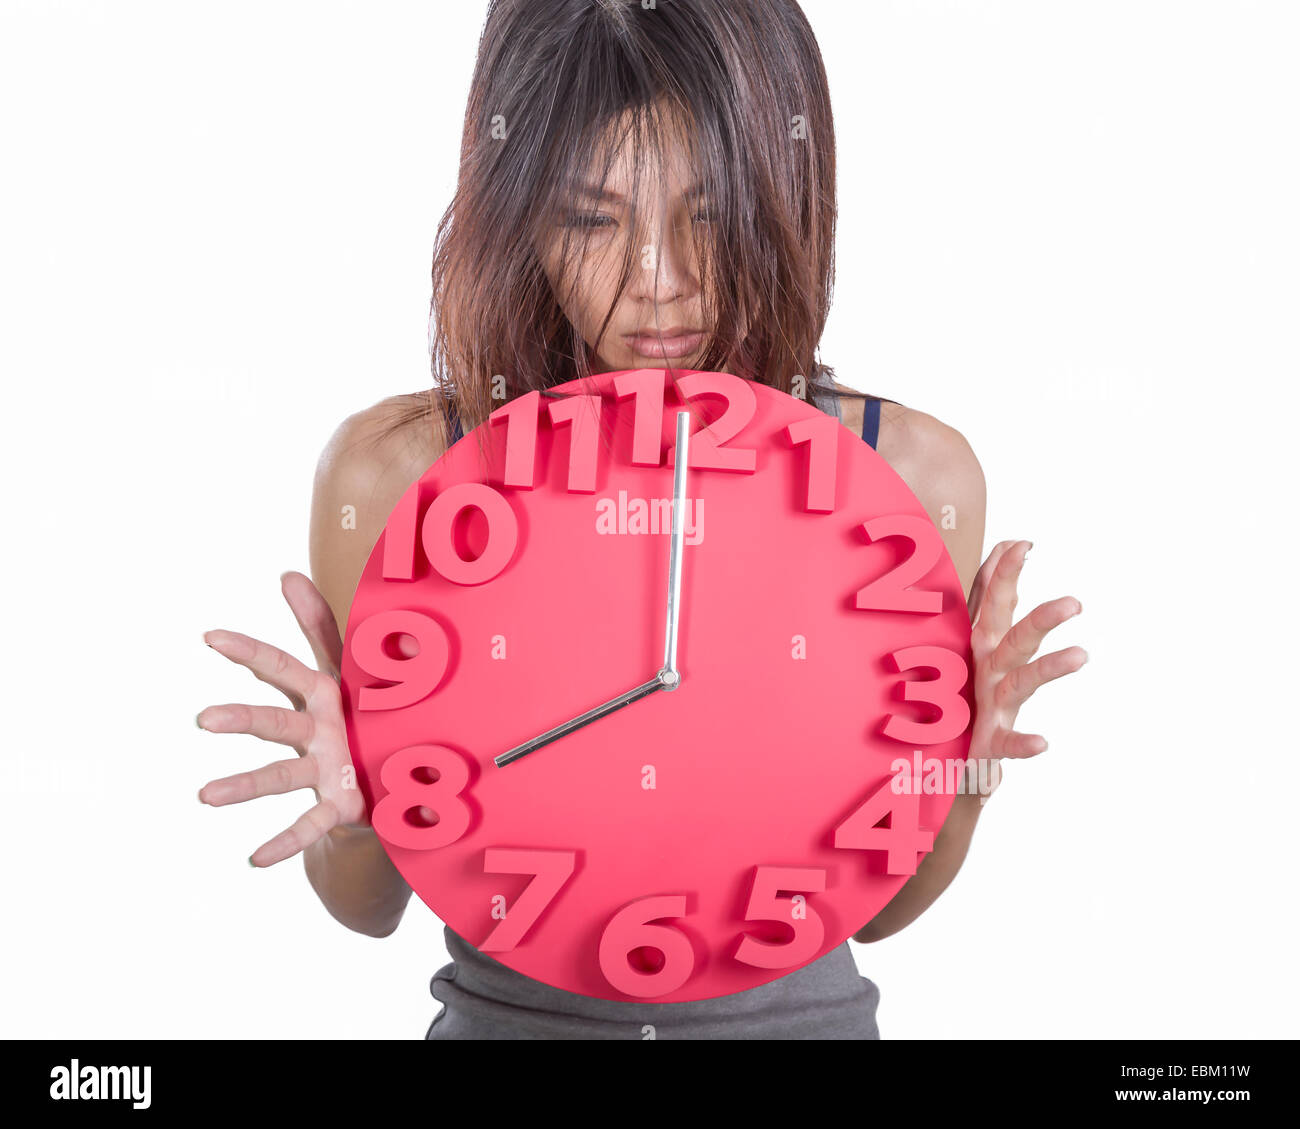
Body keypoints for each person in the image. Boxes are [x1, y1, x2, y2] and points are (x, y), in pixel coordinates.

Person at [197, 0, 1086, 1038]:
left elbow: (877, 913)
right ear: (518, 213)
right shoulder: (399, 473)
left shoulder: (903, 473)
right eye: (590, 218)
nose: (657, 284)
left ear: (789, 200)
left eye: (710, 215)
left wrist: (959, 782)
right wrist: (357, 809)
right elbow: (368, 908)